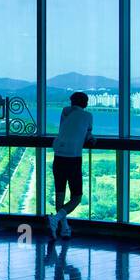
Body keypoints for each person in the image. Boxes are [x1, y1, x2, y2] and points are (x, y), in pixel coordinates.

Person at [48, 91, 93, 239]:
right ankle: (56, 220)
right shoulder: (88, 116)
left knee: (60, 195)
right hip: (73, 159)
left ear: (71, 102)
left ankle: (64, 229)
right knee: (77, 197)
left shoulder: (65, 112)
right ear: (85, 103)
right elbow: (89, 136)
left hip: (58, 157)